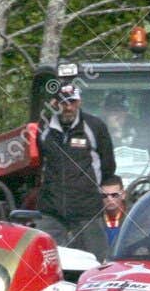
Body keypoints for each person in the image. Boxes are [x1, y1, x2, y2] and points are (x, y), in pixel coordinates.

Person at [38, 82, 114, 257]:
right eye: (63, 102)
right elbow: (39, 165)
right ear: (54, 103)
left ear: (79, 102)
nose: (68, 107)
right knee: (44, 261)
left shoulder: (95, 126)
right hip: (52, 211)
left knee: (96, 263)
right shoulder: (43, 128)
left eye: (72, 102)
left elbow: (108, 166)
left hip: (87, 210)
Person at [99, 174, 126, 252]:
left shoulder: (135, 216)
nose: (109, 199)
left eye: (114, 195)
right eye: (104, 196)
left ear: (123, 195)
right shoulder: (94, 219)